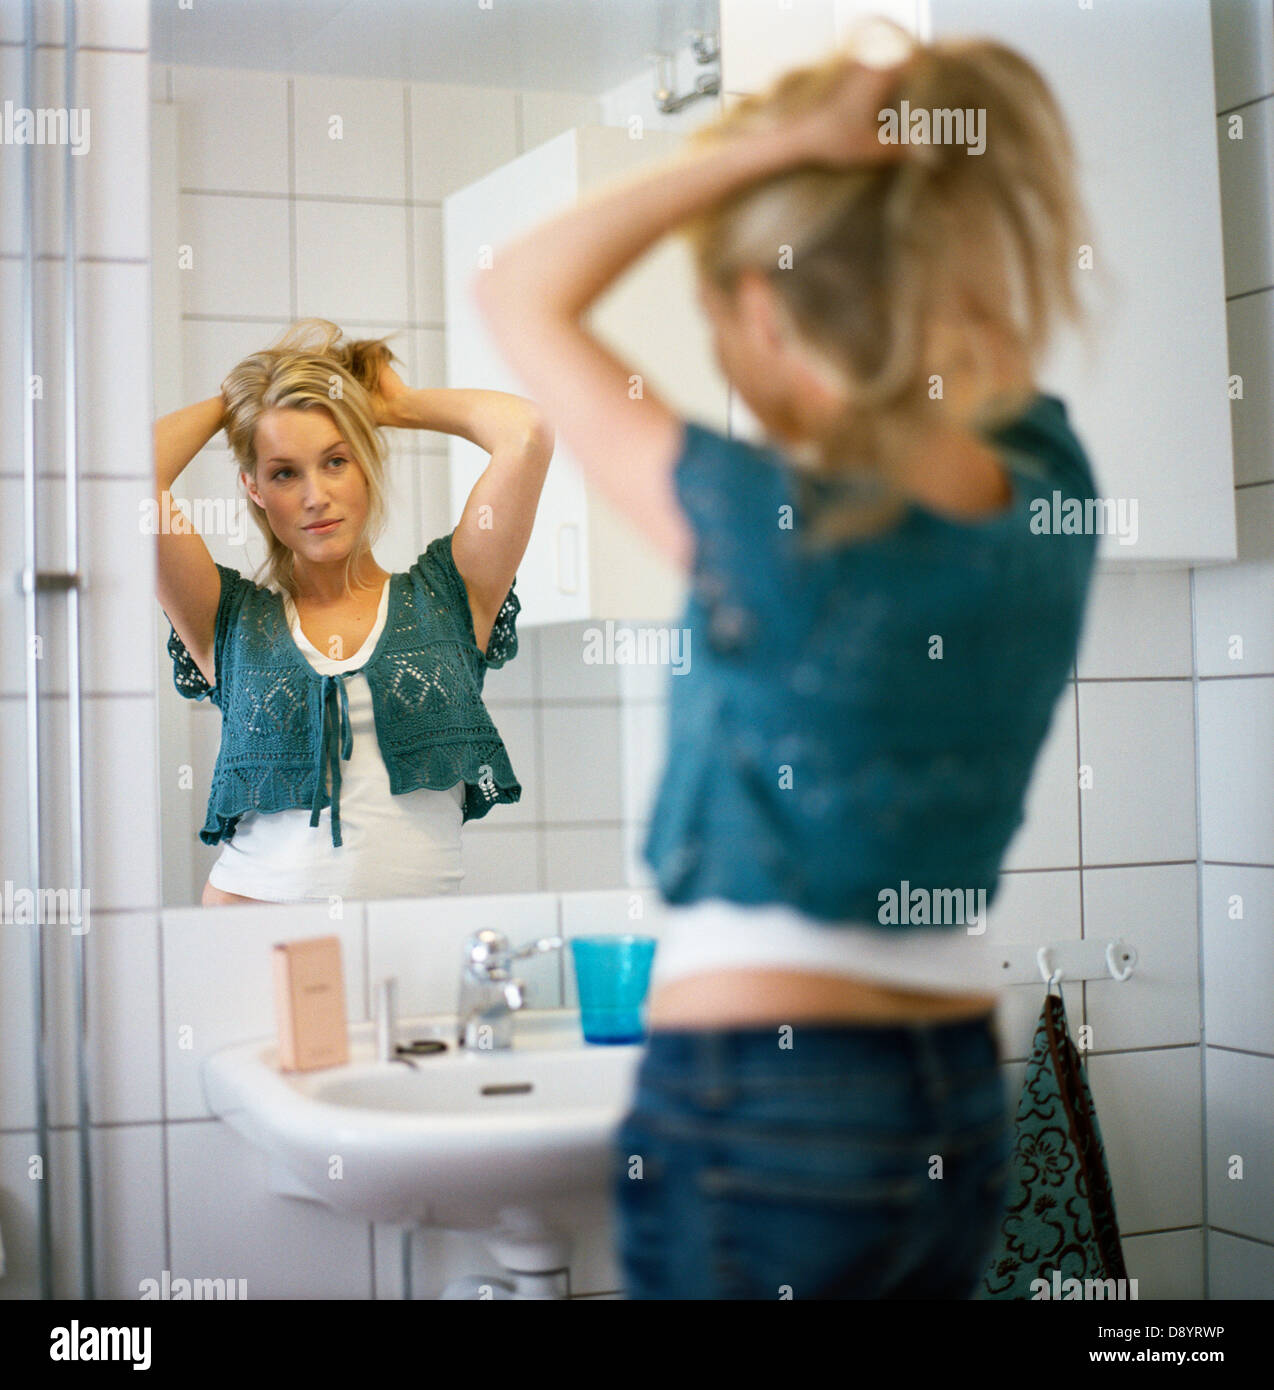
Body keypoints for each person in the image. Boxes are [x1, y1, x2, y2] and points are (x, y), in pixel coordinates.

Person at [472, 17, 1101, 1298]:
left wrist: (795, 144)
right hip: (949, 1094)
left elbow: (516, 287)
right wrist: (901, 178)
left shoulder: (767, 528)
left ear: (759, 310)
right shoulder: (1052, 495)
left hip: (763, 1100)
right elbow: (967, 340)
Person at [155, 319, 553, 906]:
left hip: (416, 942)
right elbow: (125, 477)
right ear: (256, 489)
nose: (315, 495)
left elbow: (527, 432)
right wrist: (246, 399)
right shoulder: (227, 621)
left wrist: (400, 405)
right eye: (284, 472)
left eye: (336, 460)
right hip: (250, 931)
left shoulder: (450, 593)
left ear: (366, 464)